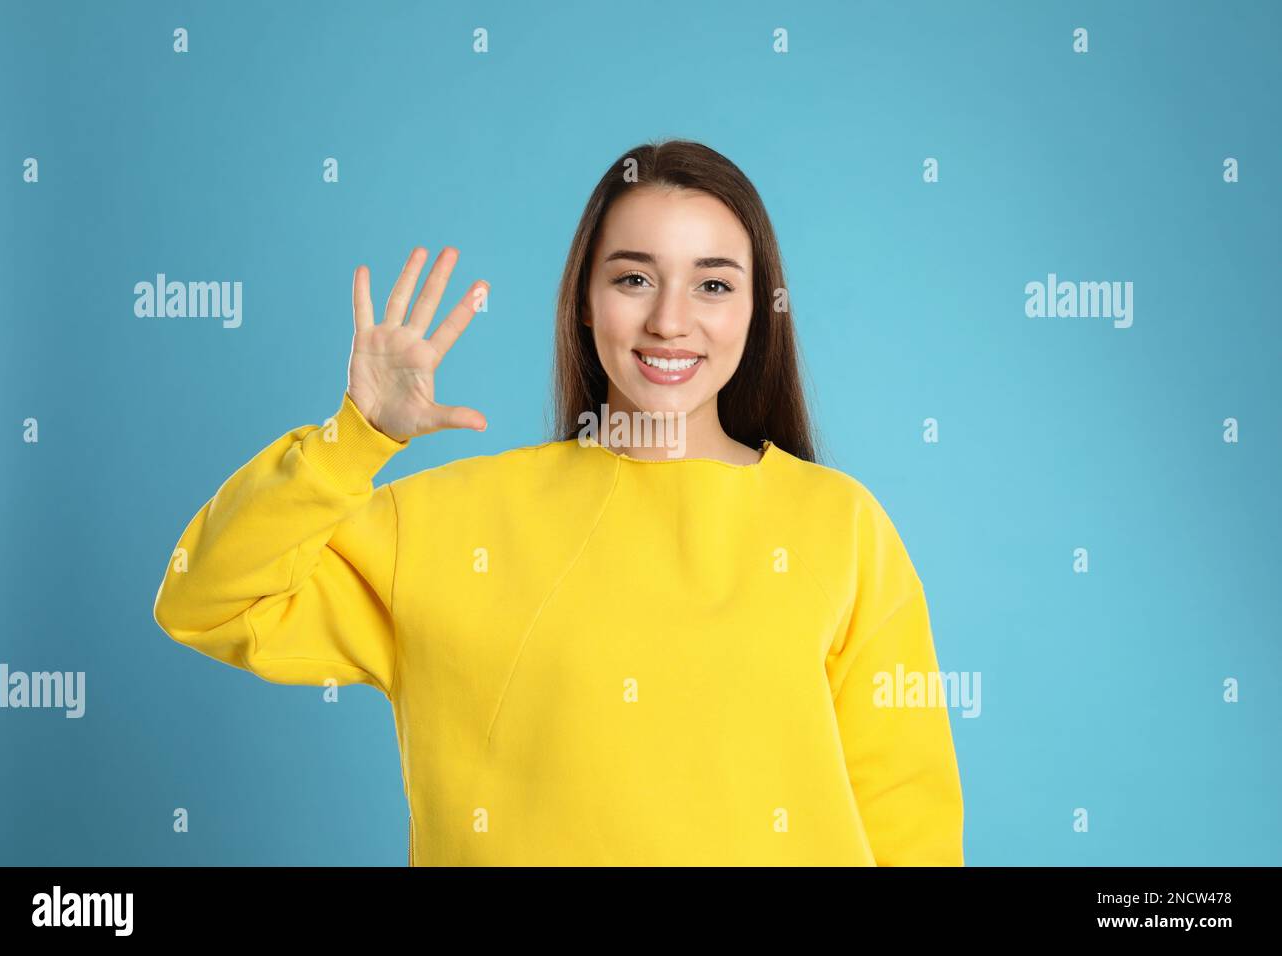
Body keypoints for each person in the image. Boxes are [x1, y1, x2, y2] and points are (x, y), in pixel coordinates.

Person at [153, 139, 964, 866]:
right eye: (635, 278)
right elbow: (209, 599)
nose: (671, 320)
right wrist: (355, 437)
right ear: (584, 299)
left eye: (714, 284)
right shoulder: (447, 524)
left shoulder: (840, 527)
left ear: (758, 311)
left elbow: (907, 820)